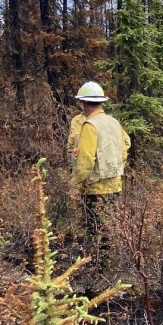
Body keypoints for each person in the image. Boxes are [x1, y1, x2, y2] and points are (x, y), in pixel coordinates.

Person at [71, 81, 130, 263]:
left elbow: (86, 161)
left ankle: (98, 269)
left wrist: (75, 184)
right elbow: (126, 145)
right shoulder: (113, 122)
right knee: (110, 230)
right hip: (115, 185)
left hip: (95, 189)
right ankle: (112, 267)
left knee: (95, 231)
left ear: (83, 102)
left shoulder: (90, 125)